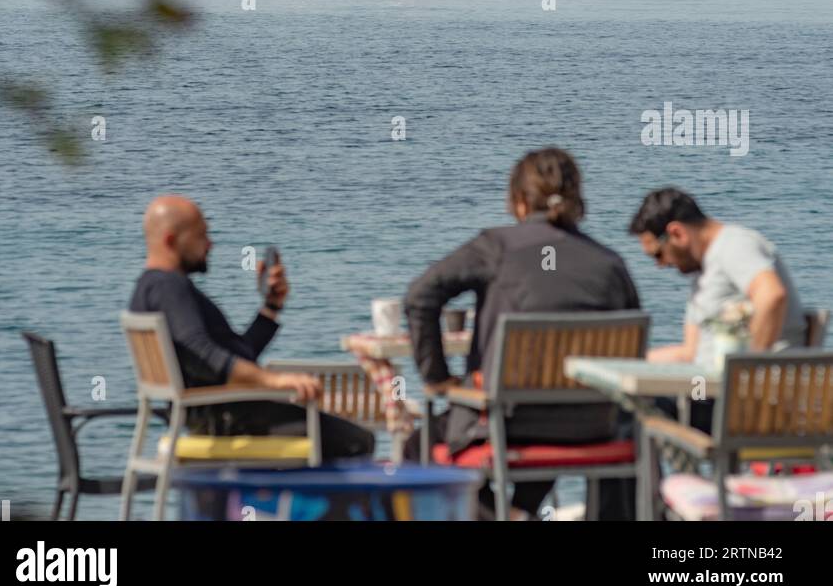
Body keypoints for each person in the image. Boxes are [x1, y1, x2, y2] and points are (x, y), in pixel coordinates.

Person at [404, 148, 642, 519]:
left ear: (518, 202)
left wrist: (438, 378)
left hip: (508, 420)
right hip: (593, 425)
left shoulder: (496, 247)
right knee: (547, 420)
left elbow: (420, 296)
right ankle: (519, 511)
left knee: (416, 445)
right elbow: (631, 360)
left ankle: (503, 514)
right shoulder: (611, 264)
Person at [129, 195, 373, 459]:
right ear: (170, 240)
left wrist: (271, 308)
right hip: (229, 418)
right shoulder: (169, 288)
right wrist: (274, 380)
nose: (210, 244)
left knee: (342, 430)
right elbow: (202, 353)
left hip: (212, 413)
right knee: (357, 441)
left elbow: (229, 358)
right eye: (201, 236)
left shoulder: (149, 289)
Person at [628, 186, 805, 383]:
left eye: (658, 254)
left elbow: (772, 295)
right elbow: (689, 354)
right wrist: (623, 363)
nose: (660, 265)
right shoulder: (702, 271)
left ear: (677, 233)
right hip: (702, 390)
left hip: (739, 395)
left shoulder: (734, 245)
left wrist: (745, 368)